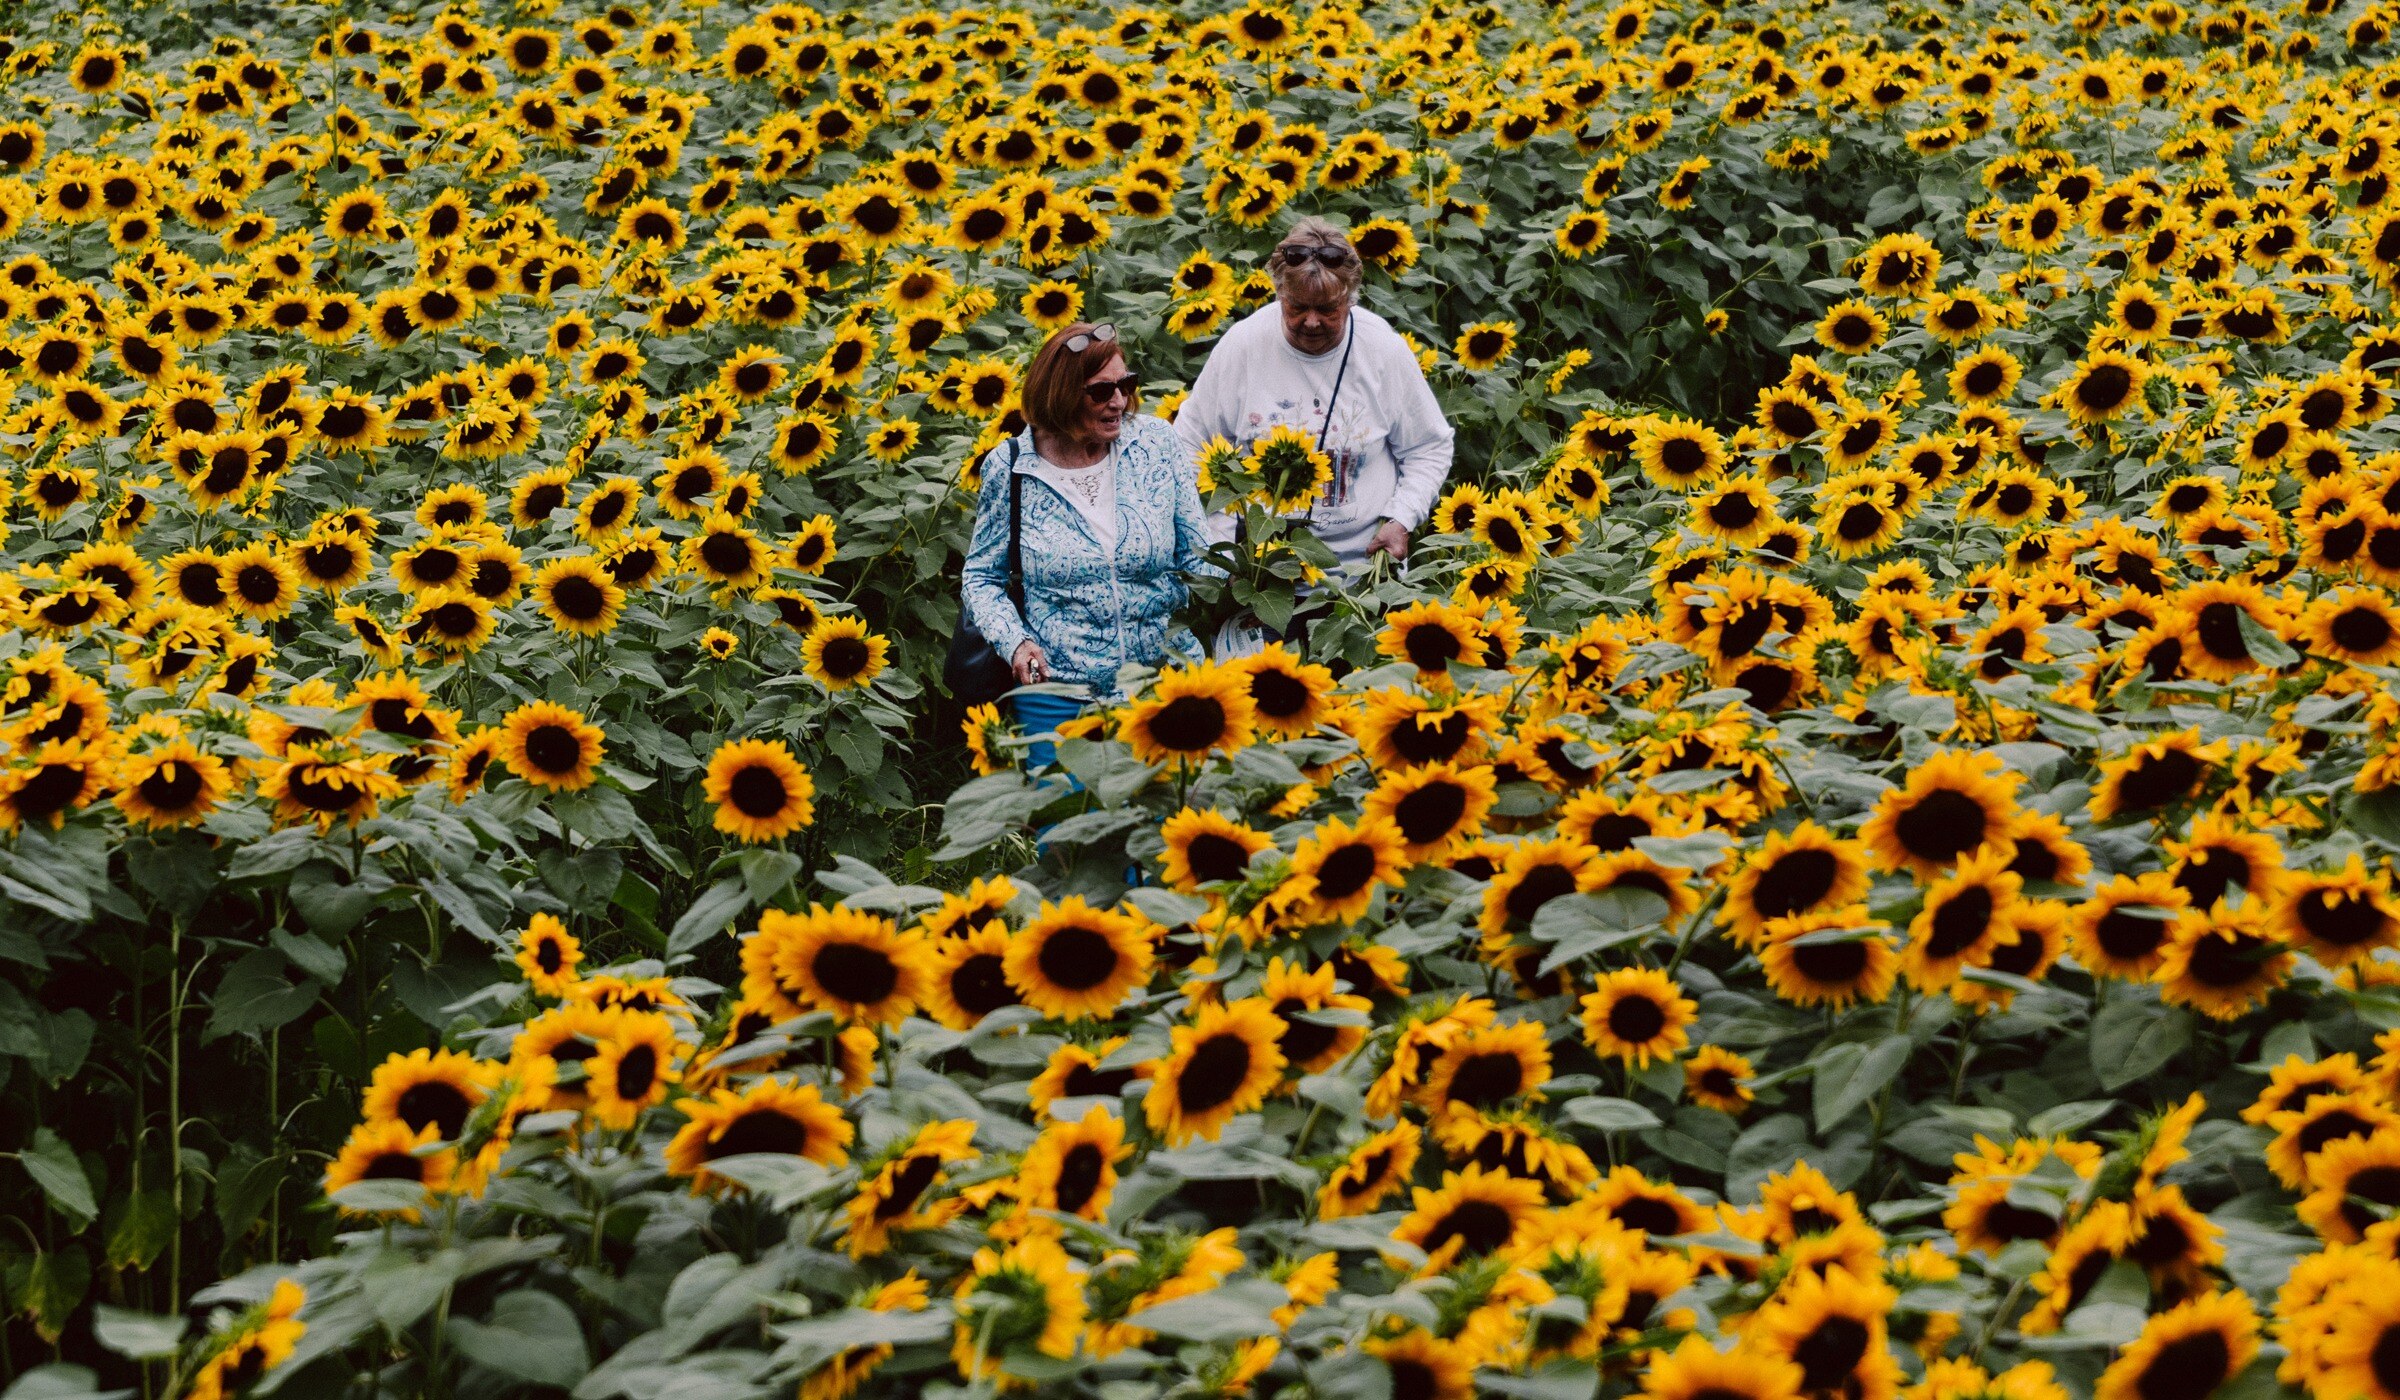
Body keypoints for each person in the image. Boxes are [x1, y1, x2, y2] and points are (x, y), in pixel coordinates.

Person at [960, 321, 1210, 768]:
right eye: (1100, 392)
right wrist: (1015, 643)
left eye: (1126, 385)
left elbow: (1197, 555)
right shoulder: (1012, 467)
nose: (1119, 402)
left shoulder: (1156, 443)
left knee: (1161, 827)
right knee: (1064, 828)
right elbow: (982, 577)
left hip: (1164, 680)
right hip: (1060, 690)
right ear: (1060, 395)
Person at [1173, 215, 1456, 572]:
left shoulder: (1381, 348)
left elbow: (1429, 447)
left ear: (1351, 300)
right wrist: (1221, 557)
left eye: (1326, 309)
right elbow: (1190, 444)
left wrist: (1401, 518)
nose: (1310, 321)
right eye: (1296, 306)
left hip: (1361, 570)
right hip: (1260, 572)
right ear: (1279, 293)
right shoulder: (1243, 346)